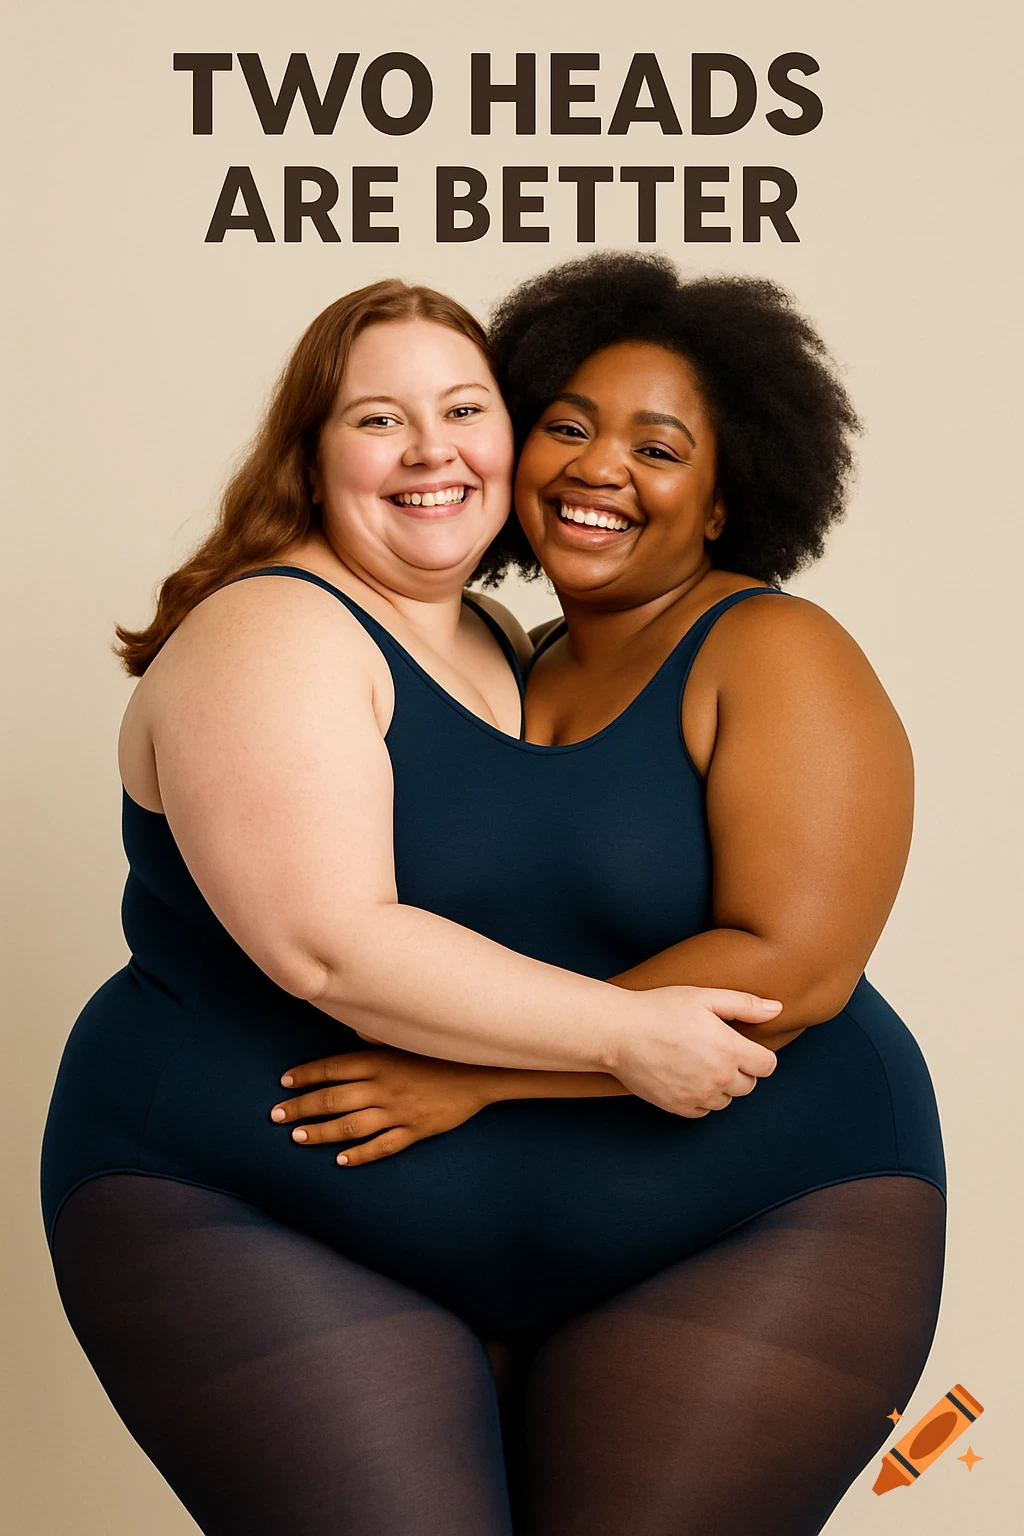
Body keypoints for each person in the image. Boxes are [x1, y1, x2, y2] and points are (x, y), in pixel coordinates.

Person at [40, 276, 783, 1536]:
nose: (432, 450)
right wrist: (622, 1036)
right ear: (310, 456)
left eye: (465, 408)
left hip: (488, 1232)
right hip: (239, 1199)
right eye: (378, 419)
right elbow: (327, 946)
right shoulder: (269, 627)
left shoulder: (494, 634)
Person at [263, 255, 947, 1534]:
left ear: (726, 497)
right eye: (567, 425)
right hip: (516, 1235)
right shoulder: (506, 658)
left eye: (656, 445)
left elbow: (793, 966)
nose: (595, 467)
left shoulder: (773, 649)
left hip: (773, 1194)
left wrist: (472, 1077)